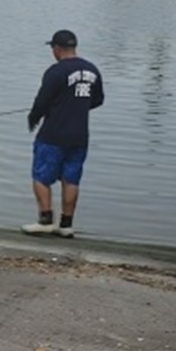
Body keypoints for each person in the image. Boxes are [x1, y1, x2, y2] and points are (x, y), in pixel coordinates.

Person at [22, 30, 104, 238]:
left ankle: (46, 220)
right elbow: (98, 100)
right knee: (72, 180)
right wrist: (76, 107)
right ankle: (66, 225)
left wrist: (33, 118)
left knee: (41, 176)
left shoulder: (56, 72)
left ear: (57, 49)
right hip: (80, 136)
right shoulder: (92, 69)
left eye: (53, 48)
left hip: (53, 134)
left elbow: (42, 101)